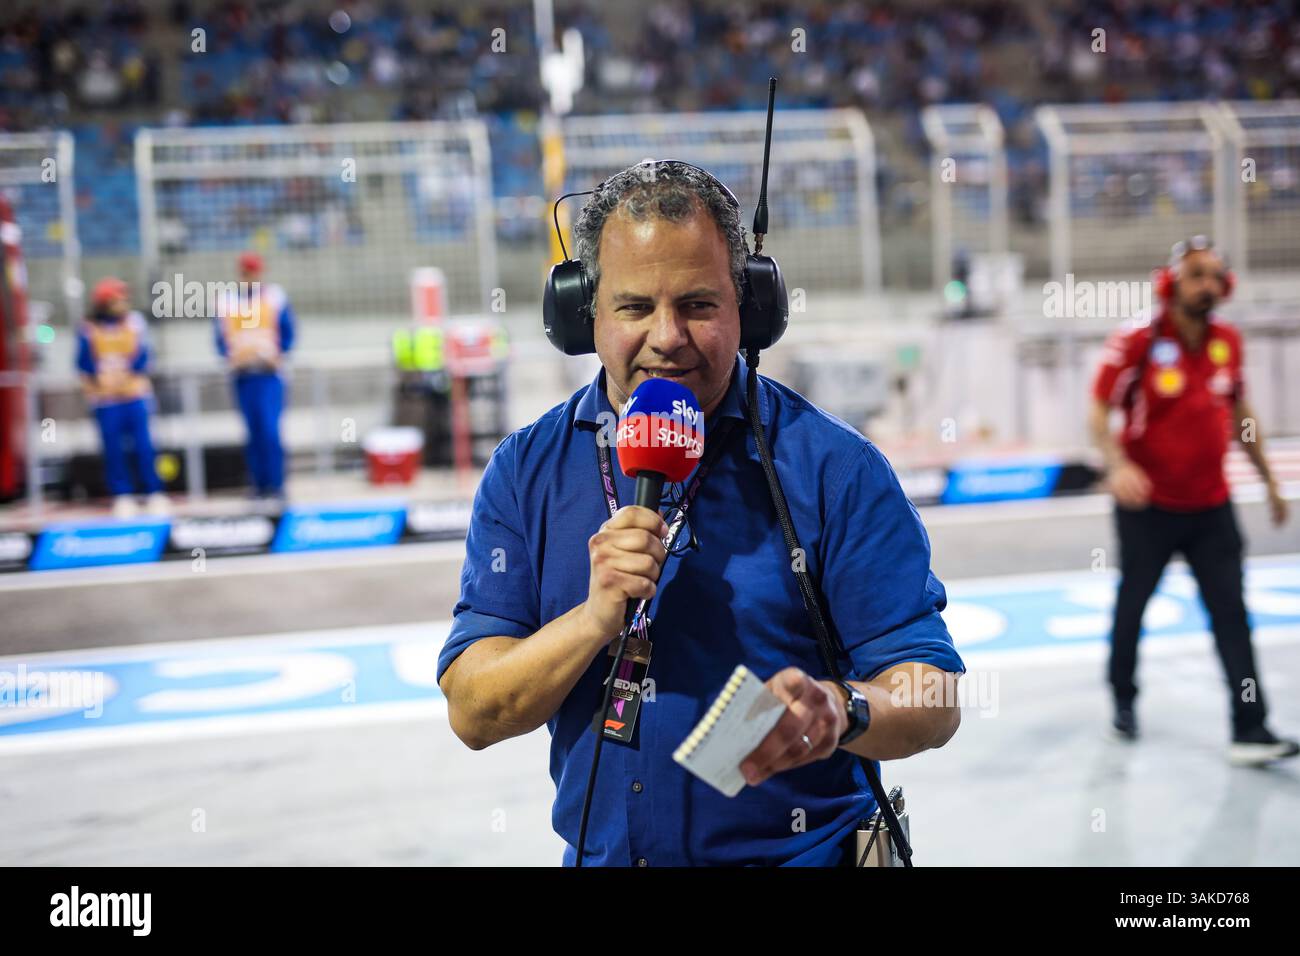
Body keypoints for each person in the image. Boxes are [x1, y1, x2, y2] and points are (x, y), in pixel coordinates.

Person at [437, 162, 964, 866]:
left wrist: (845, 709)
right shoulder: (525, 471)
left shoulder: (836, 469)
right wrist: (593, 620)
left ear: (749, 308)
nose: (667, 336)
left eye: (697, 304)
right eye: (633, 307)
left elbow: (934, 693)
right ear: (582, 312)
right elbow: (474, 710)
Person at [1089, 236, 1297, 767]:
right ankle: (1124, 702)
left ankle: (1250, 728)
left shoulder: (1228, 340)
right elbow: (1099, 408)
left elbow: (1241, 415)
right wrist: (1118, 465)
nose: (1207, 284)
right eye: (1196, 274)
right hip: (1149, 508)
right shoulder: (1136, 340)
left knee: (1232, 613)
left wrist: (1270, 481)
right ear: (1171, 282)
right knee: (1133, 603)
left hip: (1211, 506)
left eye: (1215, 275)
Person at [75, 277, 168, 518]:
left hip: (135, 395)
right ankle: (122, 495)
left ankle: (153, 492)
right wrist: (100, 381)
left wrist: (126, 375)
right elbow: (84, 363)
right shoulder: (89, 328)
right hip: (106, 400)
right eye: (118, 299)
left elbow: (144, 356)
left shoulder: (135, 323)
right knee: (113, 449)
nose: (123, 303)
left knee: (145, 445)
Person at [214, 252, 295, 504]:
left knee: (270, 430)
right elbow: (220, 339)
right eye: (248, 273)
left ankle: (277, 484)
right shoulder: (226, 302)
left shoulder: (274, 298)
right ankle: (258, 485)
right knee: (253, 432)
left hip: (269, 375)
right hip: (244, 375)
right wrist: (232, 359)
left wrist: (279, 355)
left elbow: (288, 332)